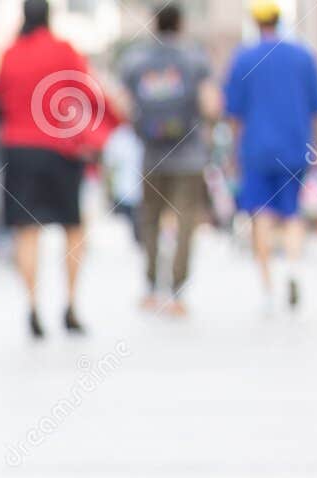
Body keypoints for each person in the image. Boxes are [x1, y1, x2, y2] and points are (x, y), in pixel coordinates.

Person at [0, 0, 112, 338]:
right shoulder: (65, 51)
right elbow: (88, 92)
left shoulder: (10, 54)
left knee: (27, 231)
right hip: (61, 150)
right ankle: (71, 304)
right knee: (73, 227)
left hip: (18, 151)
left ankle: (32, 306)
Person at [223, 0, 317, 312]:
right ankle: (293, 269)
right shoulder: (303, 57)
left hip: (256, 149)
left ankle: (268, 290)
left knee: (261, 215)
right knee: (292, 213)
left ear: (255, 23)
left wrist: (233, 153)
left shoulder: (243, 59)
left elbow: (234, 115)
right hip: (294, 147)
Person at [119, 3, 220, 316]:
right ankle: (177, 293)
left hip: (151, 154)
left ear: (155, 24)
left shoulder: (136, 58)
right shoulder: (194, 56)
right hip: (189, 156)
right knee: (186, 222)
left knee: (149, 219)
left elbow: (123, 107)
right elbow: (211, 105)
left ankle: (150, 288)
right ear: (181, 24)